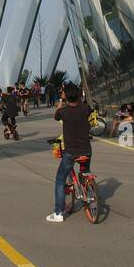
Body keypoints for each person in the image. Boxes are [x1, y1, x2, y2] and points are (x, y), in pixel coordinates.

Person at [48, 83, 92, 222]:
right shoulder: (85, 109)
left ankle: (58, 213)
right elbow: (89, 111)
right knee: (85, 171)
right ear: (79, 95)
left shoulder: (63, 111)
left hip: (71, 152)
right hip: (87, 150)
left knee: (60, 180)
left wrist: (61, 100)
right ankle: (88, 190)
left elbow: (56, 116)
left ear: (66, 96)